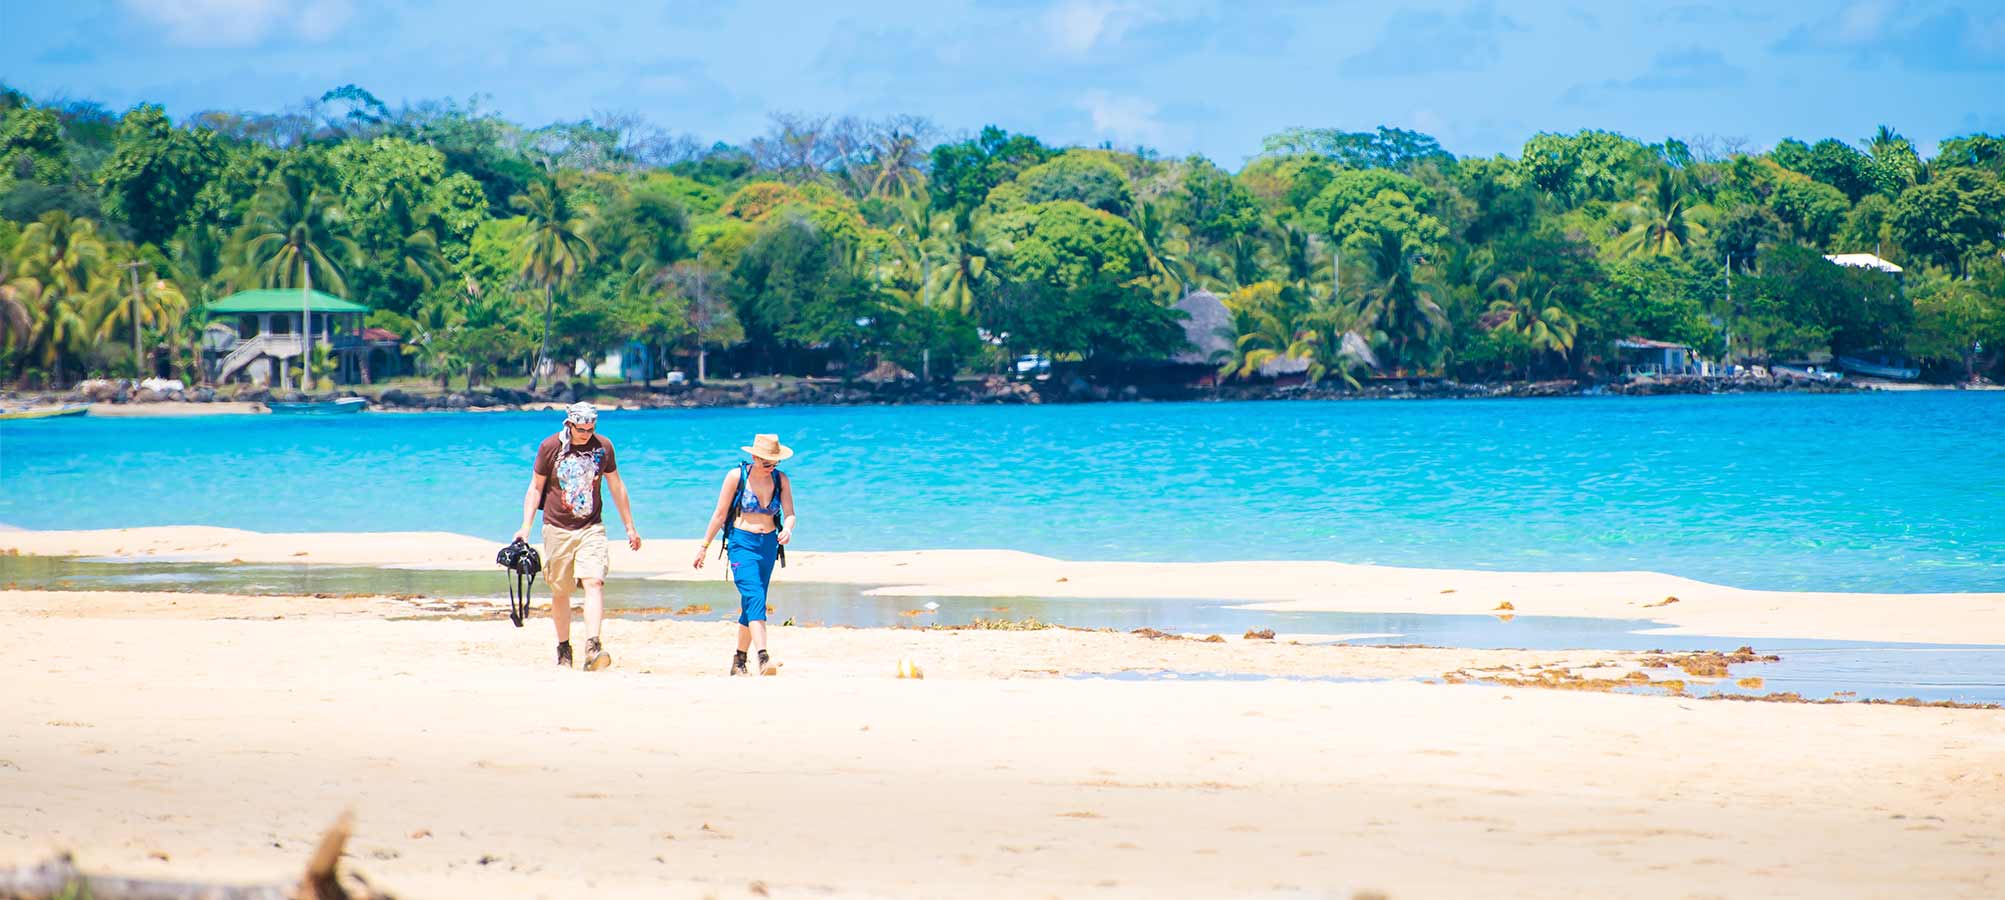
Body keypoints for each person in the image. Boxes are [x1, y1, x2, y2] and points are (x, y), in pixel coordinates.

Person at [512, 402, 642, 670]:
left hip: (591, 527)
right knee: (561, 590)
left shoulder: (603, 446)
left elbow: (616, 485)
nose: (585, 434)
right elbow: (535, 488)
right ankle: (563, 648)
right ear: (569, 425)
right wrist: (525, 527)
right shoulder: (550, 447)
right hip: (557, 528)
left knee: (594, 582)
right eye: (581, 429)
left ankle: (593, 645)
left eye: (590, 429)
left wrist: (629, 525)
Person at [693, 433, 795, 676]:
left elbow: (790, 512)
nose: (771, 466)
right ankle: (763, 657)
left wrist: (788, 529)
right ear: (754, 456)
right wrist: (704, 546)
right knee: (755, 596)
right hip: (742, 543)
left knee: (751, 603)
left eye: (774, 462)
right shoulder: (736, 476)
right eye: (766, 461)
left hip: (769, 545)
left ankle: (739, 661)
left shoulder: (781, 479)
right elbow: (719, 514)